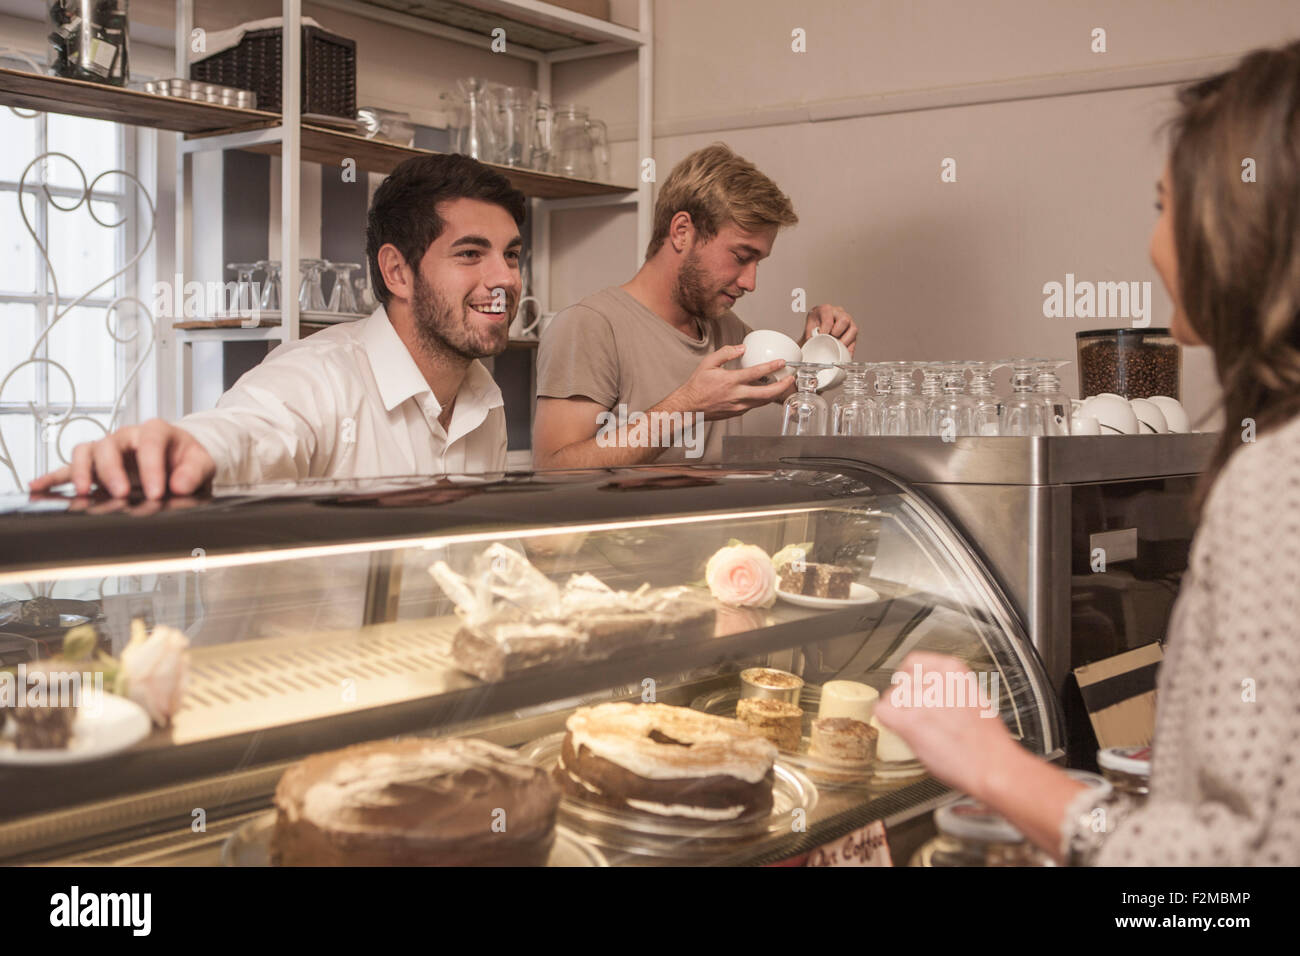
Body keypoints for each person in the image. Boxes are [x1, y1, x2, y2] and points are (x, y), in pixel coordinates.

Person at [875, 40, 1300, 866]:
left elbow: (1238, 873)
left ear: (1236, 225)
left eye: (1163, 205)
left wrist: (990, 763)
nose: (1152, 244)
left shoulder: (1274, 482)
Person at [30, 153, 524, 499]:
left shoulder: (484, 400)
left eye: (512, 255)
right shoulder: (316, 380)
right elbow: (249, 433)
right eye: (470, 254)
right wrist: (188, 447)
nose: (504, 278)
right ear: (397, 272)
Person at [532, 143, 858, 467]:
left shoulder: (727, 329)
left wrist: (813, 350)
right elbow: (554, 469)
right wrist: (687, 407)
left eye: (758, 262)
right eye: (741, 257)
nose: (750, 282)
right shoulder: (591, 326)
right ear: (682, 232)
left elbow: (794, 392)